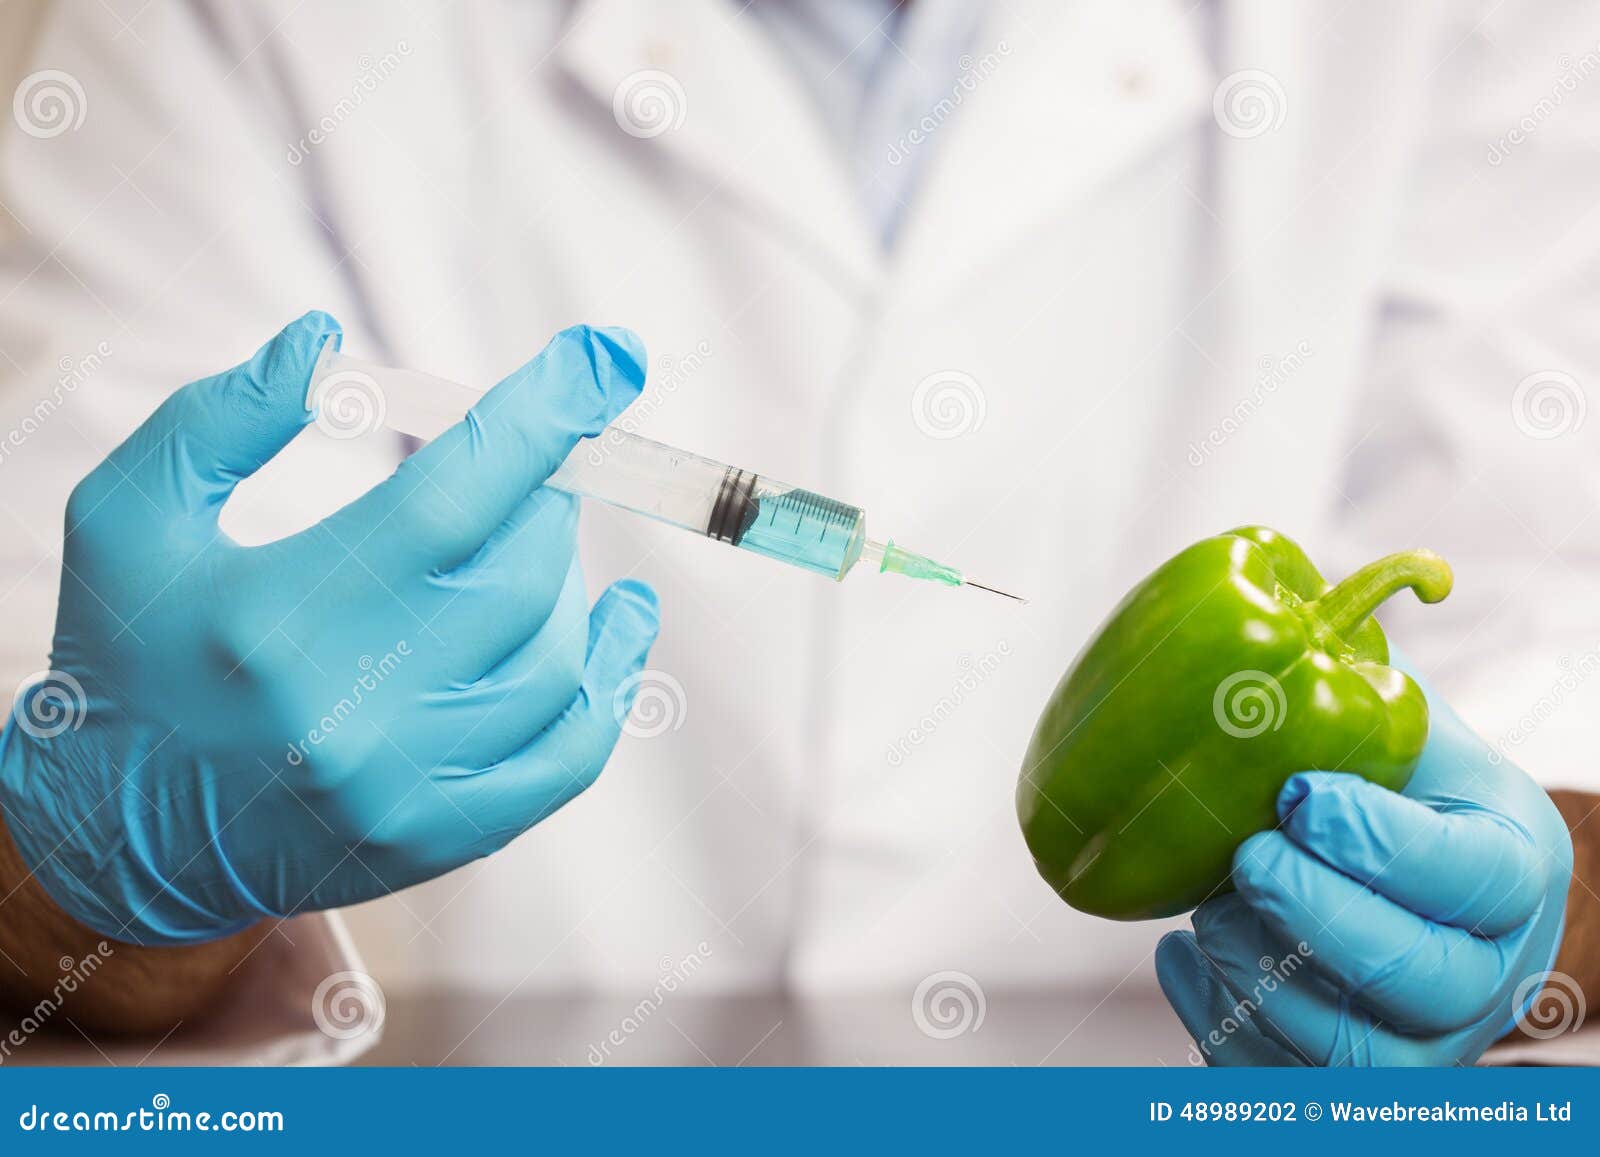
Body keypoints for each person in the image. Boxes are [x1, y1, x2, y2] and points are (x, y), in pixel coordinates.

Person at [0, 0, 1595, 1066]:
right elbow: (38, 751)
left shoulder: (1458, 31)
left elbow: (1557, 675)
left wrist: (1506, 919)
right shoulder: (218, 31)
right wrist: (107, 860)